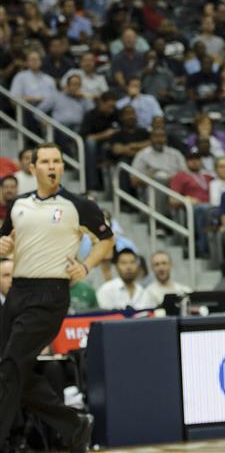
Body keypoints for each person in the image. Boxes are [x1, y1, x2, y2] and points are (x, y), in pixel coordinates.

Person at [0, 143, 114, 451]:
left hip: (50, 294)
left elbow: (107, 239)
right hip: (18, 292)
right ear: (33, 168)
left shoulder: (77, 205)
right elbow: (5, 237)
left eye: (57, 161)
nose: (52, 166)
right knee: (12, 368)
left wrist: (87, 265)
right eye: (45, 161)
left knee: (10, 365)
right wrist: (3, 246)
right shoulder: (19, 204)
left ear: (62, 167)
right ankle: (75, 426)